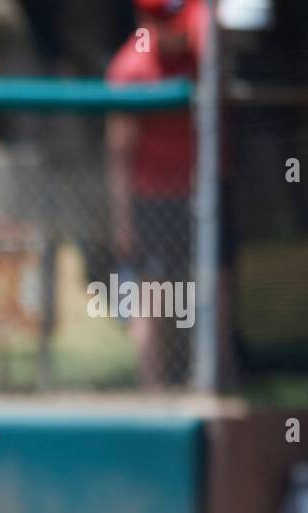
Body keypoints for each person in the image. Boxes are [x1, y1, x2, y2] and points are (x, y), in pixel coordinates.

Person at [105, 0, 207, 387]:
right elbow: (118, 154)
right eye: (166, 22)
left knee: (211, 286)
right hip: (152, 199)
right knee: (154, 296)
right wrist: (123, 221)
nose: (177, 30)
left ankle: (215, 380)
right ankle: (155, 391)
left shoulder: (198, 54)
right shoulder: (131, 68)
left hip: (199, 194)